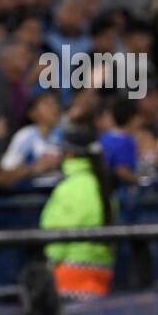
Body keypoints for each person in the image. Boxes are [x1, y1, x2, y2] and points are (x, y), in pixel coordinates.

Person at [40, 125, 117, 300]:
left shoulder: (70, 188)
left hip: (70, 273)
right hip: (102, 271)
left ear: (70, 154)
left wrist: (51, 262)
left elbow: (57, 233)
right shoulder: (102, 185)